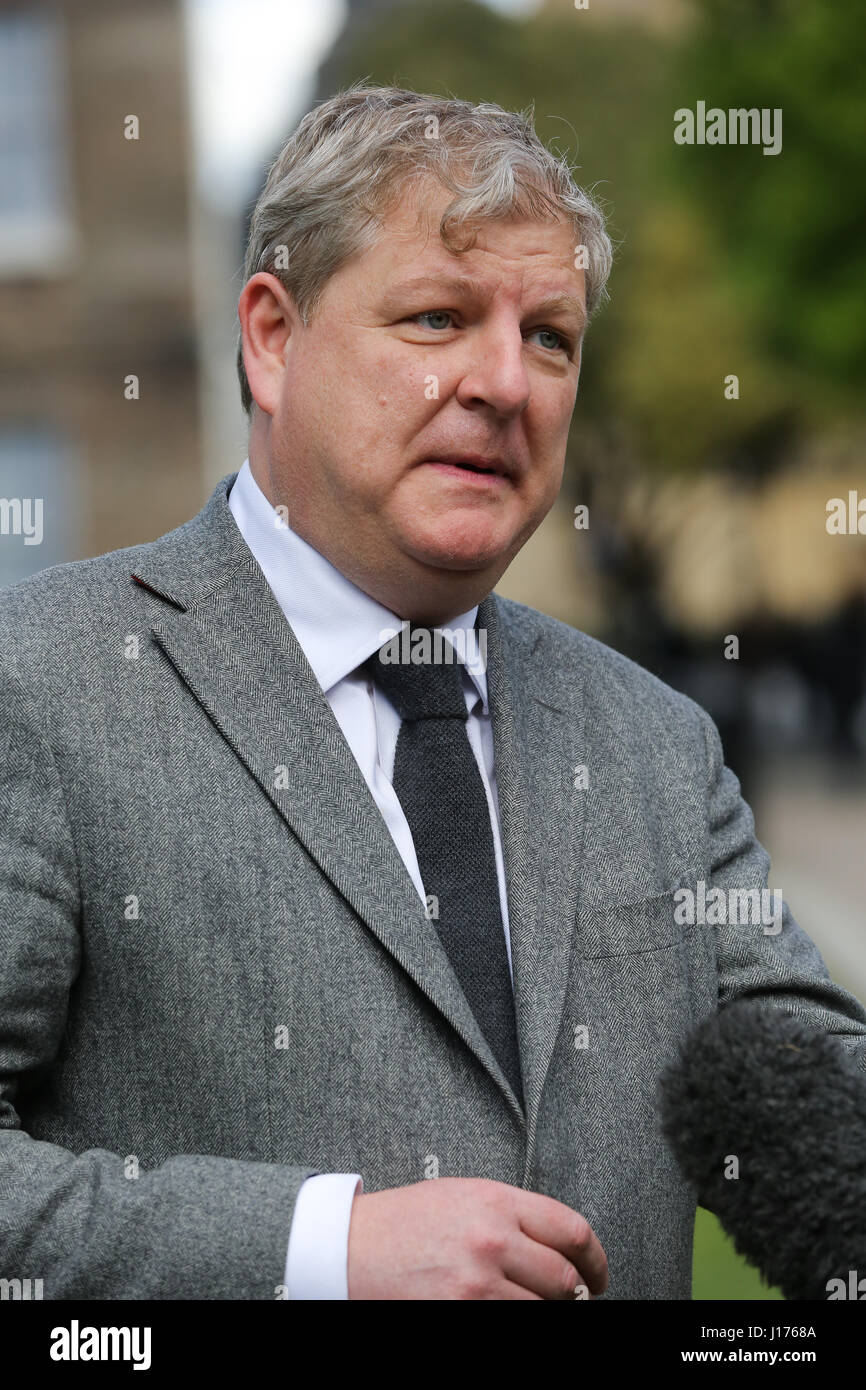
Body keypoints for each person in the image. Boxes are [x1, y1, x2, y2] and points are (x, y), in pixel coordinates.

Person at [1, 84, 864, 1302]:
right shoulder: (40, 684)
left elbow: (808, 1102)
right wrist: (320, 1251)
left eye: (549, 337)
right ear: (271, 338)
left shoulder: (657, 747)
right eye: (436, 318)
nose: (505, 383)